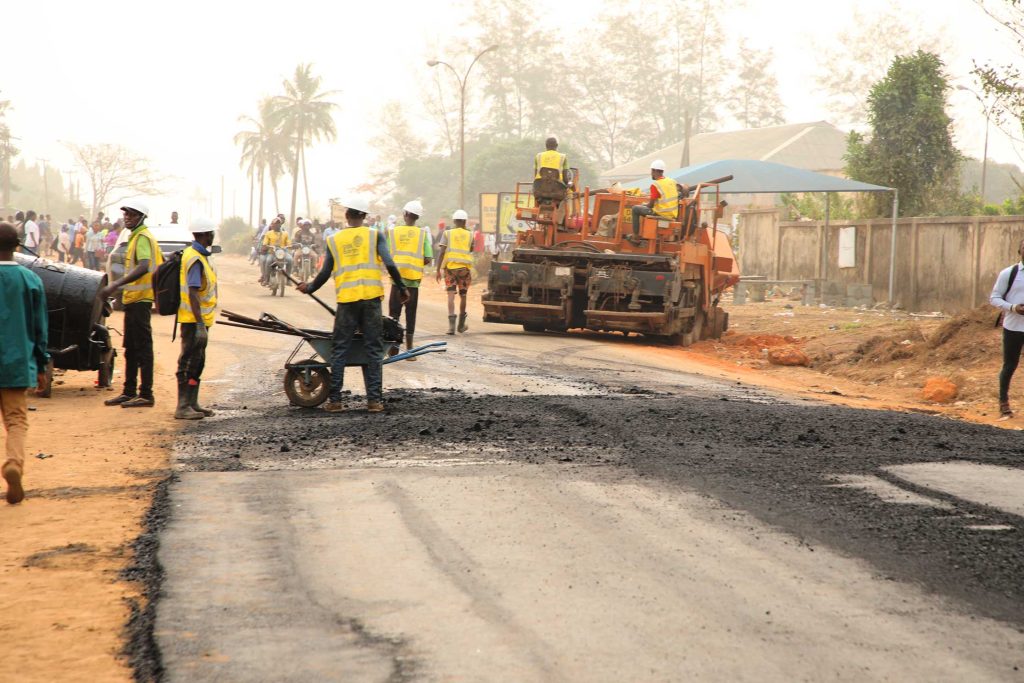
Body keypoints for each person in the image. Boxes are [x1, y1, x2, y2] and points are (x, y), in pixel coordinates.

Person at [297, 196, 408, 414]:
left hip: (347, 301)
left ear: (347, 216)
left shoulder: (334, 240)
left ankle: (335, 401)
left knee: (339, 350)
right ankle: (374, 401)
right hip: (371, 299)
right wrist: (402, 287)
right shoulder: (376, 236)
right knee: (374, 350)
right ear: (364, 216)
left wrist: (308, 287)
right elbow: (389, 263)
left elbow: (325, 272)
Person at [0, 222, 49, 504]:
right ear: (18, 247)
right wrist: (41, 365)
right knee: (16, 421)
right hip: (17, 364)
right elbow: (39, 328)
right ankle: (13, 465)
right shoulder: (30, 280)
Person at [101, 200, 163, 408]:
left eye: (132, 214)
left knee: (143, 348)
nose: (127, 217)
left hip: (141, 301)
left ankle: (146, 394)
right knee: (131, 348)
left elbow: (144, 266)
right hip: (132, 300)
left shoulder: (143, 238)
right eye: (126, 214)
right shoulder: (135, 237)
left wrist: (116, 283)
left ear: (141, 218)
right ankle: (128, 391)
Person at [175, 217, 219, 420]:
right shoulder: (194, 258)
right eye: (210, 233)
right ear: (203, 235)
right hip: (193, 320)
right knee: (188, 361)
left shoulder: (202, 256)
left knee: (198, 361)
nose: (212, 236)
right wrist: (200, 324)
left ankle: (192, 402)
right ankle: (182, 406)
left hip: (201, 319)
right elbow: (193, 293)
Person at [387, 200, 432, 357]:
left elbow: (386, 254)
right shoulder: (422, 234)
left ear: (405, 214)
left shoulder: (393, 232)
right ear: (417, 217)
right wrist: (416, 262)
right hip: (413, 281)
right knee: (410, 314)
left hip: (396, 281)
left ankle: (393, 350)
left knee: (394, 315)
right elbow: (428, 258)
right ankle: (410, 349)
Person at [990, 237, 1024, 418]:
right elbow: (994, 298)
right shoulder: (1009, 274)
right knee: (1010, 365)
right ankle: (1003, 402)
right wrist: (1013, 308)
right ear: (1019, 250)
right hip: (1013, 328)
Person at [435, 209, 474, 335]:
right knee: (463, 296)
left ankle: (451, 327)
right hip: (464, 270)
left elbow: (441, 252)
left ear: (454, 221)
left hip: (450, 269)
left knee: (451, 296)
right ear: (465, 221)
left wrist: (438, 270)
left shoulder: (447, 233)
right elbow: (471, 249)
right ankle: (461, 325)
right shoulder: (470, 234)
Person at [630, 159, 682, 244]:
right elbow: (678, 191)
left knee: (635, 209)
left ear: (654, 171)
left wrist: (644, 205)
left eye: (651, 171)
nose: (651, 173)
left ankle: (635, 236)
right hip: (672, 214)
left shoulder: (655, 185)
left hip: (661, 214)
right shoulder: (672, 181)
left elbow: (650, 205)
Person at [259, 216, 291, 285]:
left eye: (278, 223)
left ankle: (288, 279)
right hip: (272, 252)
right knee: (268, 261)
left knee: (290, 259)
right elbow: (265, 243)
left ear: (280, 224)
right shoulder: (268, 233)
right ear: (272, 225)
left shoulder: (285, 233)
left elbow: (288, 244)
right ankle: (266, 279)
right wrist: (266, 246)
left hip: (283, 252)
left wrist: (289, 246)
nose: (277, 225)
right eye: (275, 223)